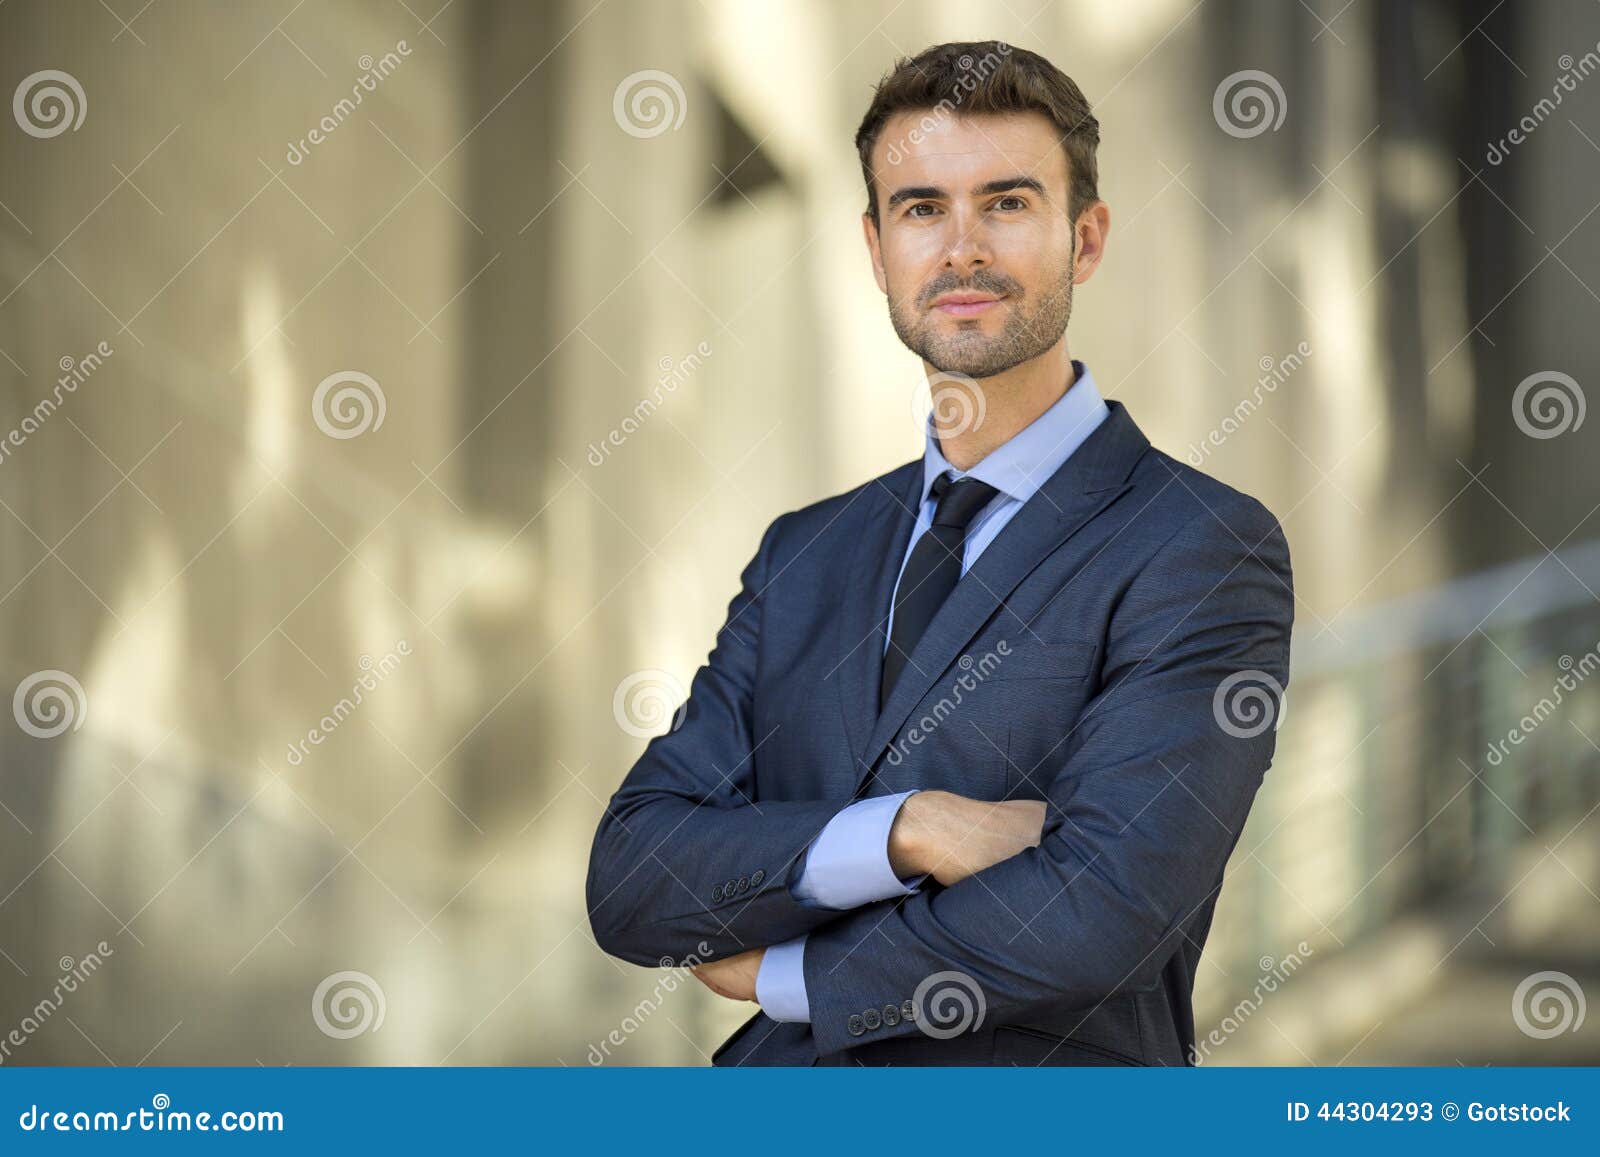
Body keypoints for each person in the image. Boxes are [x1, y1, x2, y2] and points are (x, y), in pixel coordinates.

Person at [586, 39, 1294, 1066]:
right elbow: (636, 873)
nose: (961, 247)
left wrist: (786, 971)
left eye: (1006, 203)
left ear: (1083, 239)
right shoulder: (805, 554)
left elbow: (1100, 913)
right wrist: (907, 829)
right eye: (922, 208)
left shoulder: (1198, 546)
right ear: (877, 251)